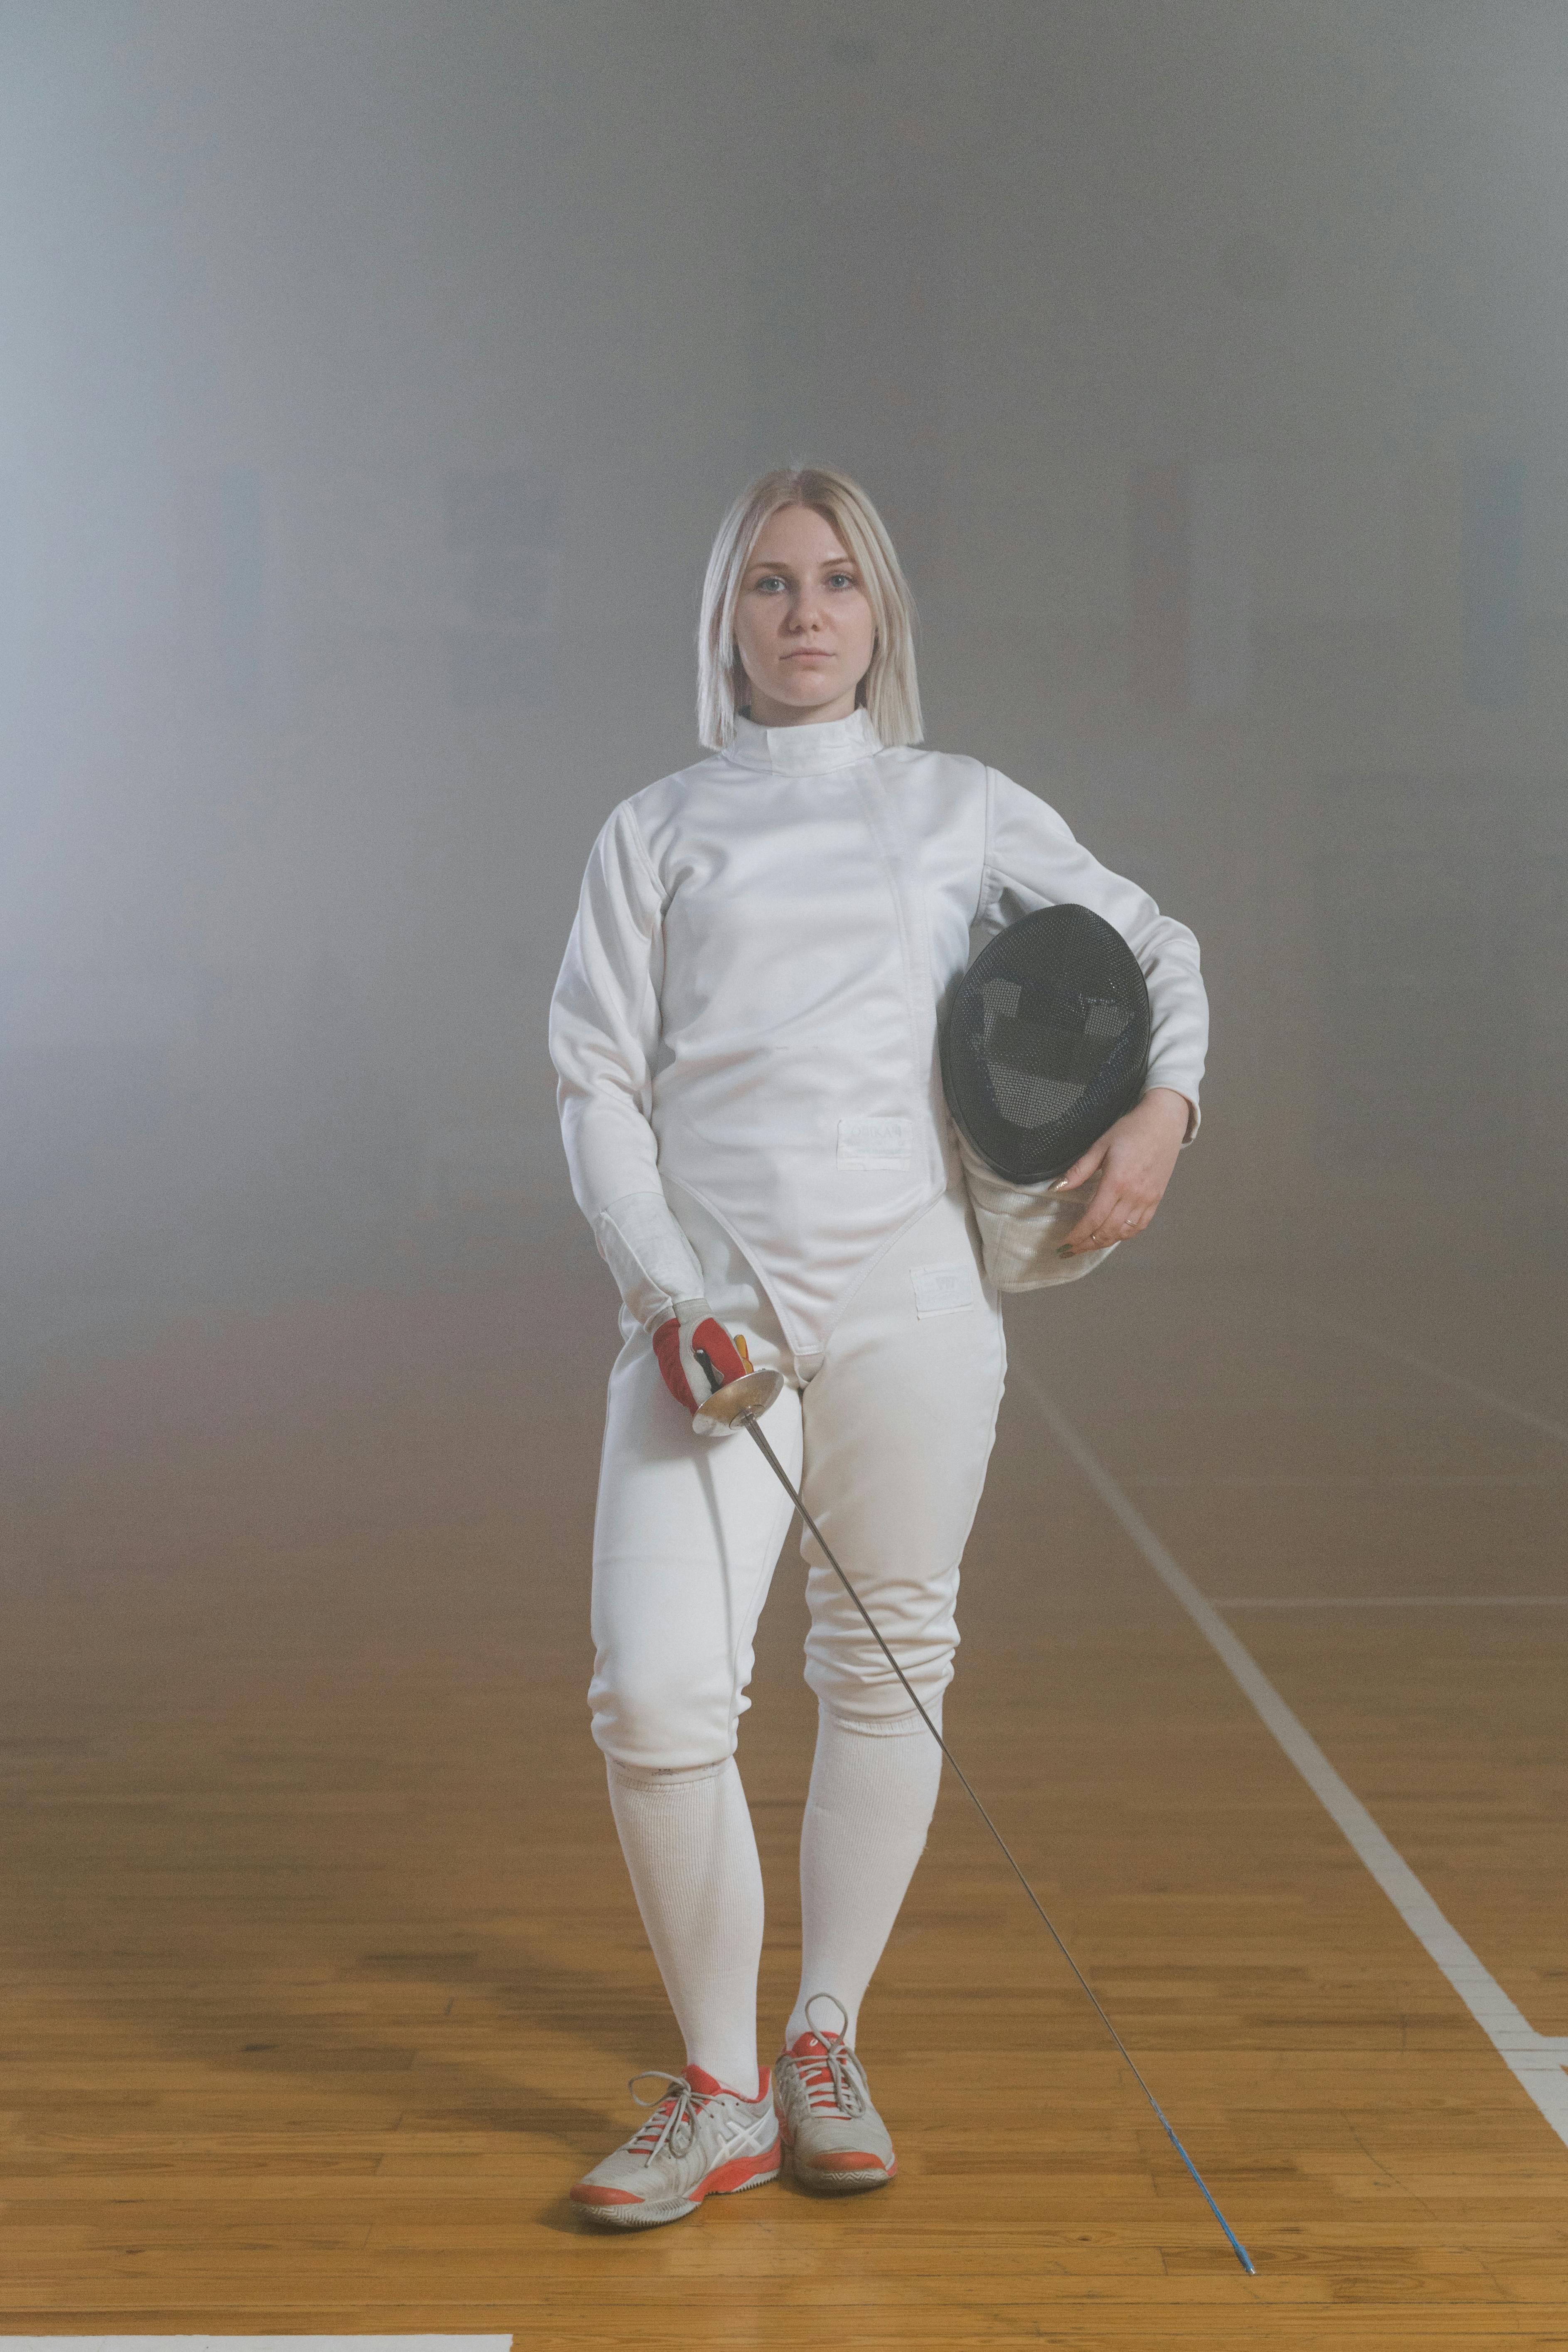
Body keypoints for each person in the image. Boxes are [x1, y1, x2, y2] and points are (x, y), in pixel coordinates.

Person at [549, 465, 1207, 2230]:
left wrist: (1159, 1113)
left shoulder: (954, 805)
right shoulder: (656, 829)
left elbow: (1152, 944)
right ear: (725, 619)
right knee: (661, 1686)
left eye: (838, 581)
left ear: (880, 616)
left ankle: (821, 2036)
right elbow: (595, 1083)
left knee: (888, 1655)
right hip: (715, 1321)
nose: (806, 612)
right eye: (769, 583)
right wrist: (668, 1294)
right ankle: (718, 2084)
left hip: (916, 1303)